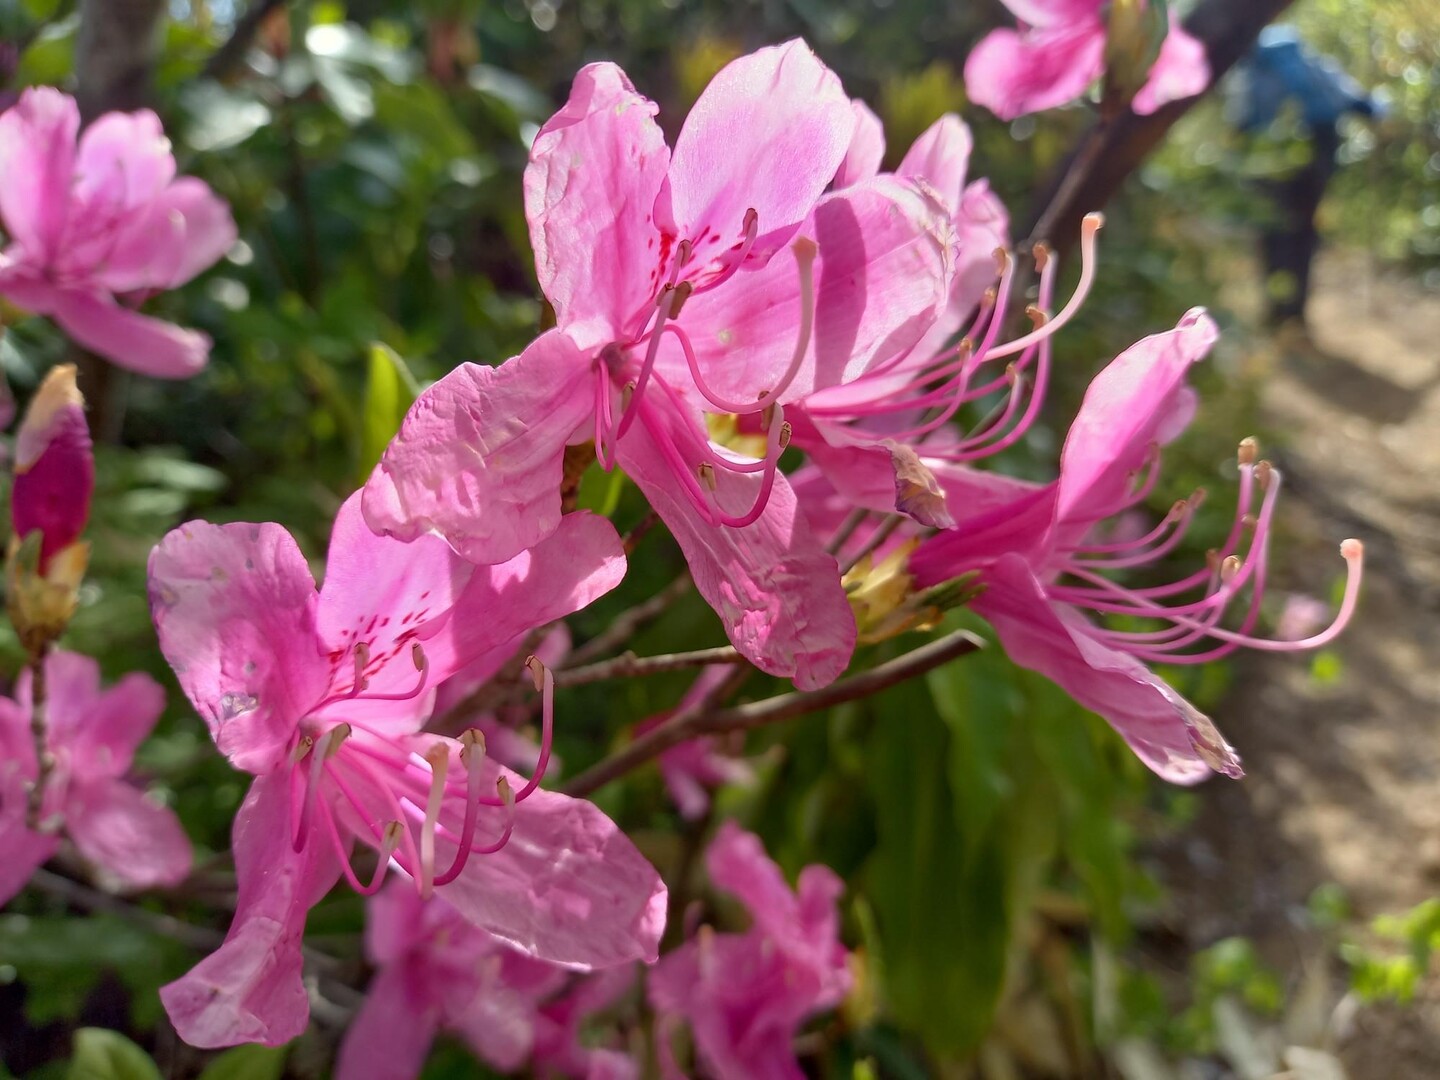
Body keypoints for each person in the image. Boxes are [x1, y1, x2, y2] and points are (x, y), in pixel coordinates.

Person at [1234, 26, 1380, 325]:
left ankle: (1276, 310)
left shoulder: (1254, 73)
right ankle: (1296, 313)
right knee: (1303, 232)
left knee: (1273, 234)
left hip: (1269, 162)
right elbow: (1359, 102)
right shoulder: (1314, 65)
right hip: (1316, 158)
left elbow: (1240, 122)